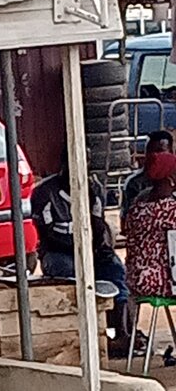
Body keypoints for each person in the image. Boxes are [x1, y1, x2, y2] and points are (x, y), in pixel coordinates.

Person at [32, 145, 130, 350]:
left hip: (88, 250)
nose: (81, 167)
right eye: (75, 161)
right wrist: (78, 250)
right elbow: (47, 236)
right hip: (58, 252)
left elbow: (98, 226)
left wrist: (99, 248)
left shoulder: (94, 189)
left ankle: (121, 334)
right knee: (70, 272)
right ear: (64, 165)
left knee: (115, 269)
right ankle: (84, 334)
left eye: (85, 161)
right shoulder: (44, 192)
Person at [125, 151, 176, 298]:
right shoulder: (169, 210)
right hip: (160, 280)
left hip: (135, 278)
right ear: (170, 178)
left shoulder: (137, 206)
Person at [120, 130, 174, 232]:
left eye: (161, 152)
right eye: (152, 152)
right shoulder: (134, 183)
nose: (156, 157)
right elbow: (125, 222)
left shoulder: (173, 179)